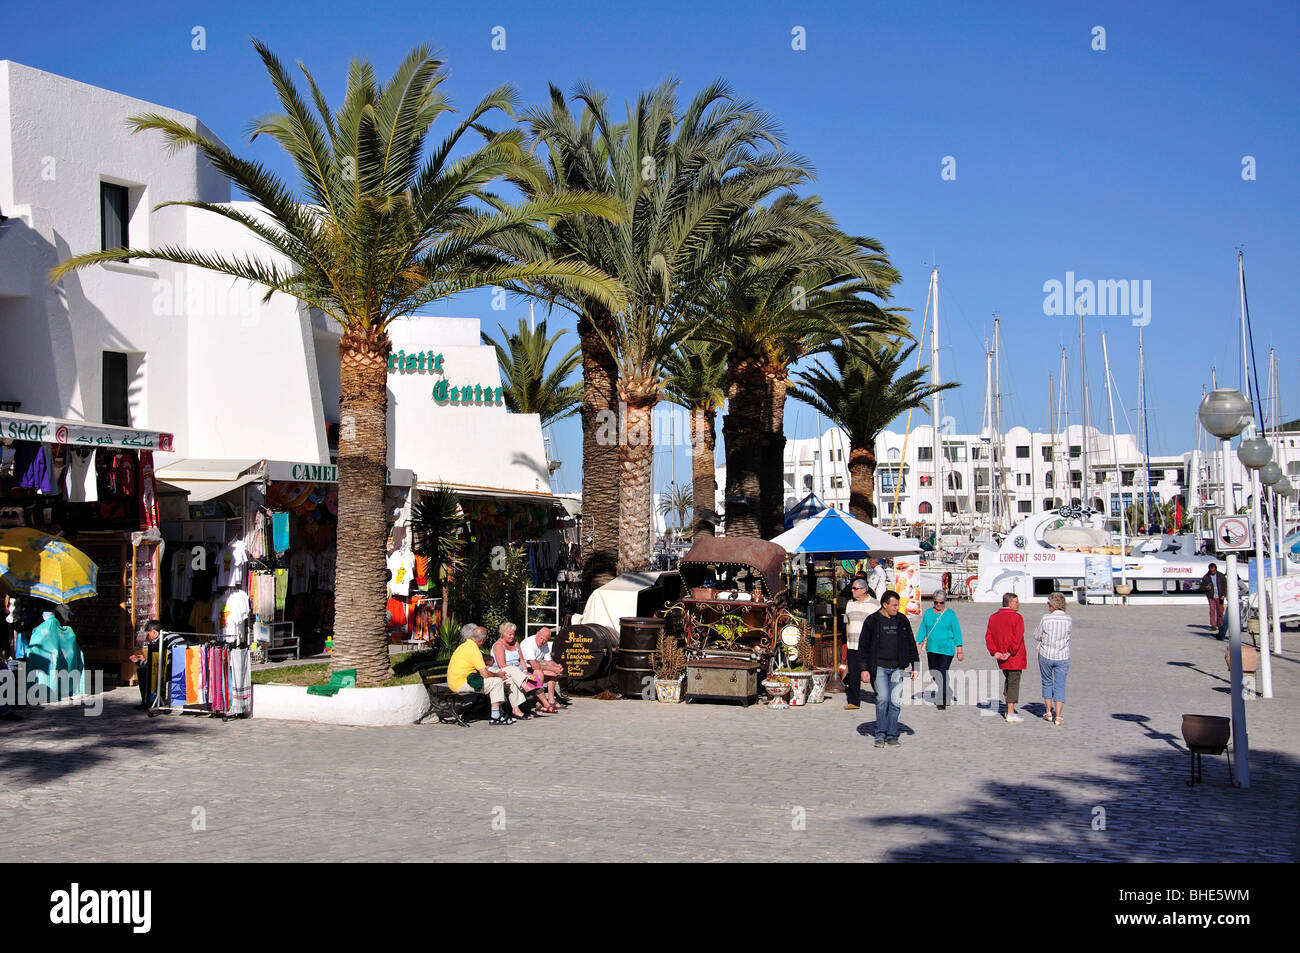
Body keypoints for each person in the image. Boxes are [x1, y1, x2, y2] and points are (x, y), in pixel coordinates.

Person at [861, 590, 919, 748]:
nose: (897, 608)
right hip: (879, 667)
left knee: (895, 702)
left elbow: (911, 643)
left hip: (897, 667)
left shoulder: (902, 620)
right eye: (894, 605)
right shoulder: (872, 621)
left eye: (898, 605)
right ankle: (880, 734)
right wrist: (864, 669)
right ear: (884, 605)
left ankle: (892, 735)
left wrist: (916, 666)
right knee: (883, 699)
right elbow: (863, 646)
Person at [447, 623, 527, 725]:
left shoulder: (467, 645)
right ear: (482, 640)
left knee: (507, 680)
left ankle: (508, 711)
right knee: (496, 682)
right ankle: (496, 716)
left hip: (464, 679)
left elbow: (487, 666)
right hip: (460, 683)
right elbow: (485, 674)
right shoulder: (473, 650)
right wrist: (498, 675)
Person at [916, 590, 963, 709]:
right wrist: (917, 643)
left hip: (947, 649)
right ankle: (946, 688)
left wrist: (959, 649)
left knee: (942, 672)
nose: (938, 605)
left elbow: (957, 632)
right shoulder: (928, 613)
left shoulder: (951, 614)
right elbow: (923, 629)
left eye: (941, 603)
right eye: (936, 602)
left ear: (945, 602)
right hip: (932, 648)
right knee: (933, 673)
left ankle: (942, 700)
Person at [985, 593, 1027, 722]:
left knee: (1009, 680)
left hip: (1001, 655)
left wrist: (995, 652)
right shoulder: (1017, 618)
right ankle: (1010, 712)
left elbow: (989, 636)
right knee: (1013, 682)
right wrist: (1010, 652)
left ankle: (1009, 706)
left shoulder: (993, 617)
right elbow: (1017, 637)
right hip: (1014, 656)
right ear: (1009, 603)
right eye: (1016, 601)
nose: (1018, 604)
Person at [1035, 593, 1072, 726]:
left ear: (1052, 605)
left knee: (1047, 682)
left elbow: (1037, 635)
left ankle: (1048, 711)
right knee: (1060, 685)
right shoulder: (1068, 619)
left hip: (1046, 654)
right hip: (1062, 655)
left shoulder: (1046, 619)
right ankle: (1059, 716)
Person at [842, 577, 878, 710]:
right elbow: (848, 623)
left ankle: (881, 696)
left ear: (864, 590)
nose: (852, 590)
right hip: (852, 644)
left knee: (872, 672)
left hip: (868, 645)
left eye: (855, 588)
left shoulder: (875, 604)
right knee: (854, 673)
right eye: (852, 588)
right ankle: (854, 701)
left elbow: (877, 626)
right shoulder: (849, 604)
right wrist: (848, 640)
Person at [491, 622, 545, 711]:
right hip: (505, 672)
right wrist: (519, 674)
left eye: (513, 634)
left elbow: (521, 660)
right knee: (517, 678)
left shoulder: (515, 643)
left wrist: (524, 670)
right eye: (510, 634)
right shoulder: (498, 645)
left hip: (519, 671)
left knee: (534, 678)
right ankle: (526, 690)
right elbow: (502, 665)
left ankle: (543, 703)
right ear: (503, 633)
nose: (512, 636)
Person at [520, 627, 565, 712]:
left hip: (535, 668)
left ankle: (551, 700)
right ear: (537, 634)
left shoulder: (545, 644)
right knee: (539, 673)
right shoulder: (529, 643)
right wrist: (552, 668)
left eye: (545, 640)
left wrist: (557, 666)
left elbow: (548, 661)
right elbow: (534, 665)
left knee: (554, 673)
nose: (542, 641)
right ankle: (538, 701)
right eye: (541, 638)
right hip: (525, 669)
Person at [129, 620, 165, 710]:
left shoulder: (159, 641)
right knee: (144, 668)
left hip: (166, 668)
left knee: (142, 670)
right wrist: (144, 661)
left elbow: (155, 665)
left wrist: (138, 662)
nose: (148, 637)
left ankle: (146, 701)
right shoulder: (166, 636)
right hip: (169, 665)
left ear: (154, 632)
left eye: (148, 634)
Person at [1201, 563, 1228, 637]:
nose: (1212, 572)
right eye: (1211, 570)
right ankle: (1213, 625)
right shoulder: (1206, 577)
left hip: (1219, 596)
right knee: (1212, 610)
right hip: (1211, 596)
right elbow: (1201, 586)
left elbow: (1225, 586)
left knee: (1220, 610)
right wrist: (1206, 587)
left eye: (1213, 570)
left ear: (1216, 569)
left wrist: (1223, 595)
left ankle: (1220, 624)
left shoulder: (1221, 576)